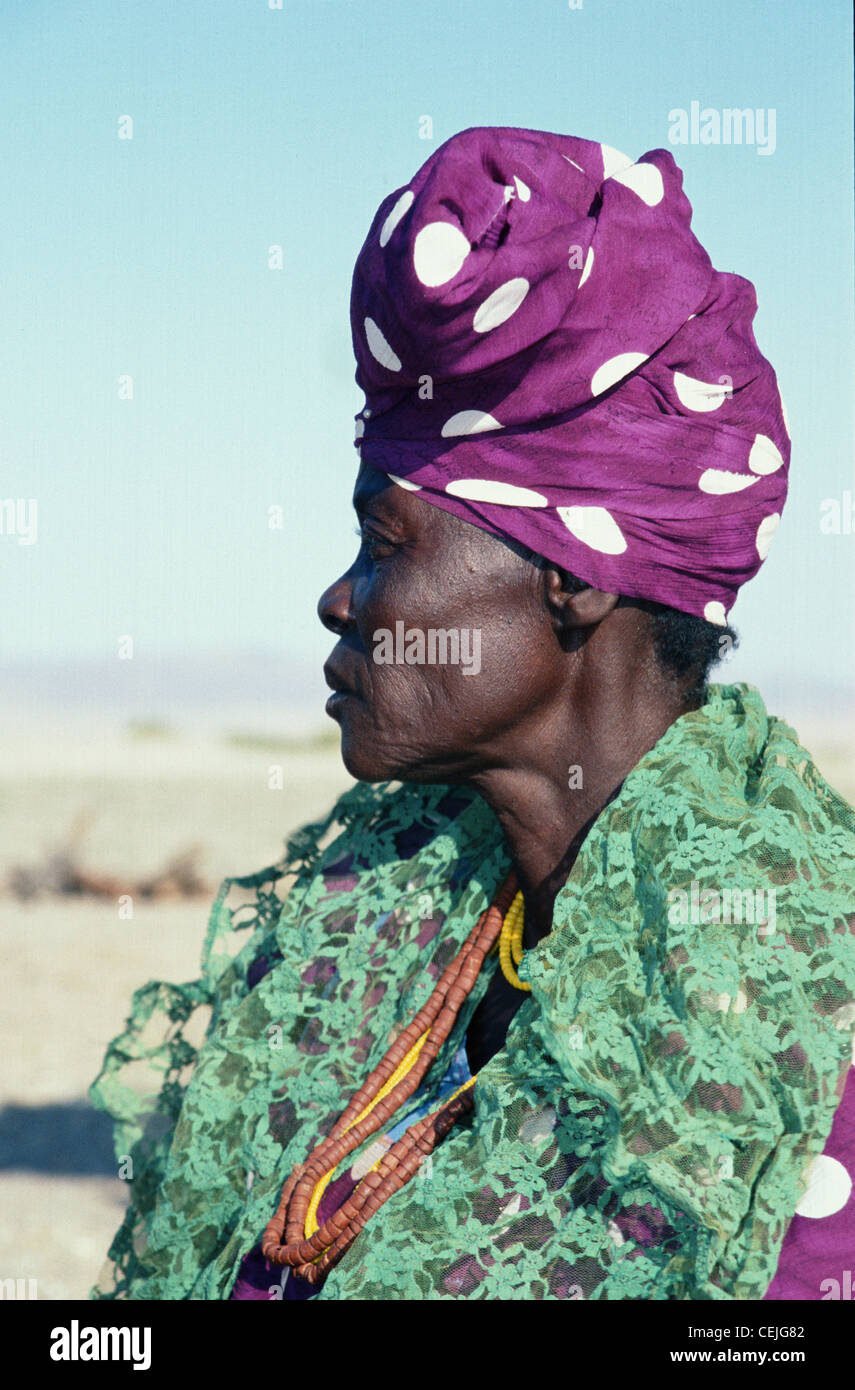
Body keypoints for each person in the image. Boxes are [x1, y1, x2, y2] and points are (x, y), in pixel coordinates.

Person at [90, 127, 855, 1301]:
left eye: (387, 541)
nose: (340, 598)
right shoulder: (384, 923)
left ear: (576, 574)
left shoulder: (799, 1012)